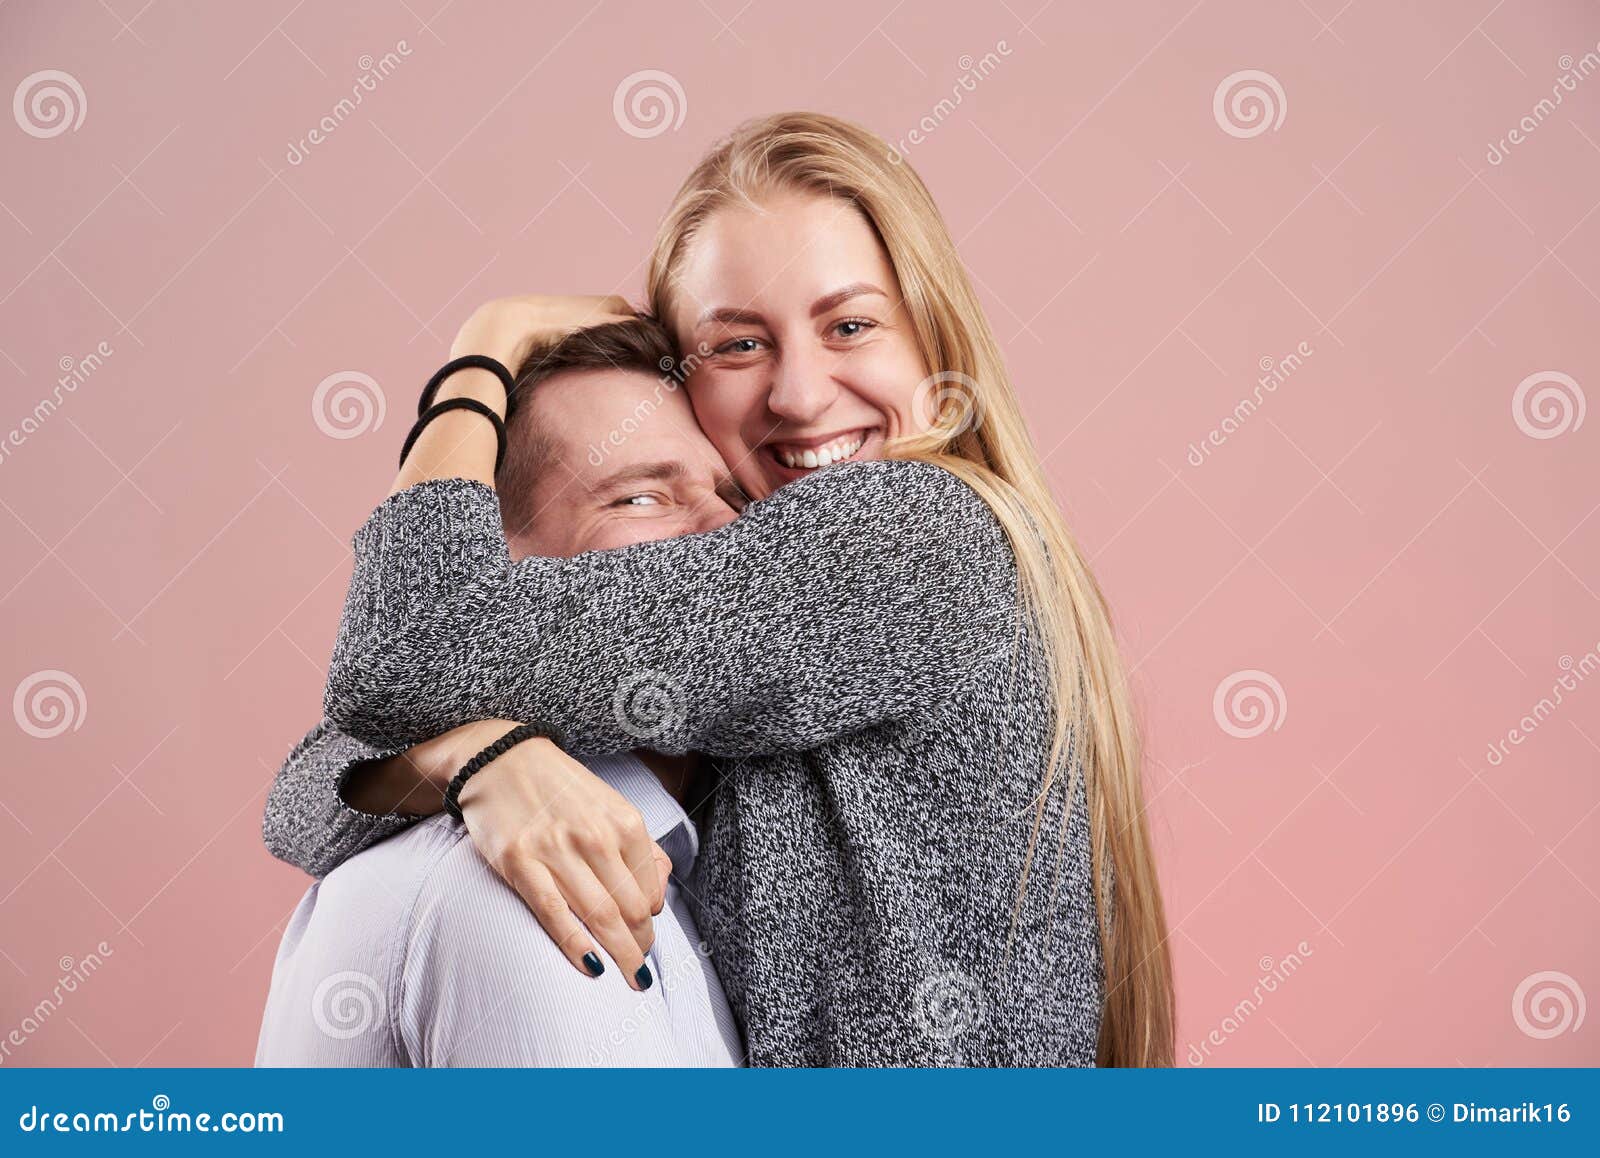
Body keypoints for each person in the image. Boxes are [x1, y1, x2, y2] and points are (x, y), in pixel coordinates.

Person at [264, 112, 1175, 1066]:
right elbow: (313, 781)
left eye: (851, 325)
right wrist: (480, 760)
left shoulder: (916, 535)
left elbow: (405, 649)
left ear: (933, 341)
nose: (799, 396)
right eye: (739, 346)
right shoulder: (756, 597)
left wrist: (476, 364)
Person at [256, 320, 744, 1066]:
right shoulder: (508, 892)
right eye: (640, 498)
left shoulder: (674, 857)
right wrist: (487, 346)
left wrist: (467, 752)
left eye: (732, 493)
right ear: (483, 570)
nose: (727, 531)